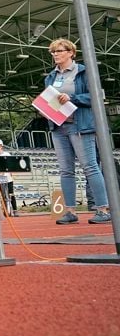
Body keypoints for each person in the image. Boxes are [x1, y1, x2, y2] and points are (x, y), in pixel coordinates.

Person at [44, 39, 111, 225]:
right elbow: (51, 99)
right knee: (66, 170)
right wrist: (45, 108)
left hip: (80, 125)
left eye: (59, 51)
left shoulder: (82, 72)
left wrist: (72, 98)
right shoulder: (51, 77)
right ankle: (70, 211)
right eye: (53, 52)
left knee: (90, 167)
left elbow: (95, 96)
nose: (55, 54)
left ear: (71, 53)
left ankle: (103, 208)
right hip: (59, 127)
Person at [0, 138, 18, 217]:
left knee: (10, 194)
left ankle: (15, 210)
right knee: (2, 195)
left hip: (8, 177)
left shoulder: (6, 154)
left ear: (0, 146)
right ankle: (5, 210)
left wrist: (11, 173)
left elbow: (11, 165)